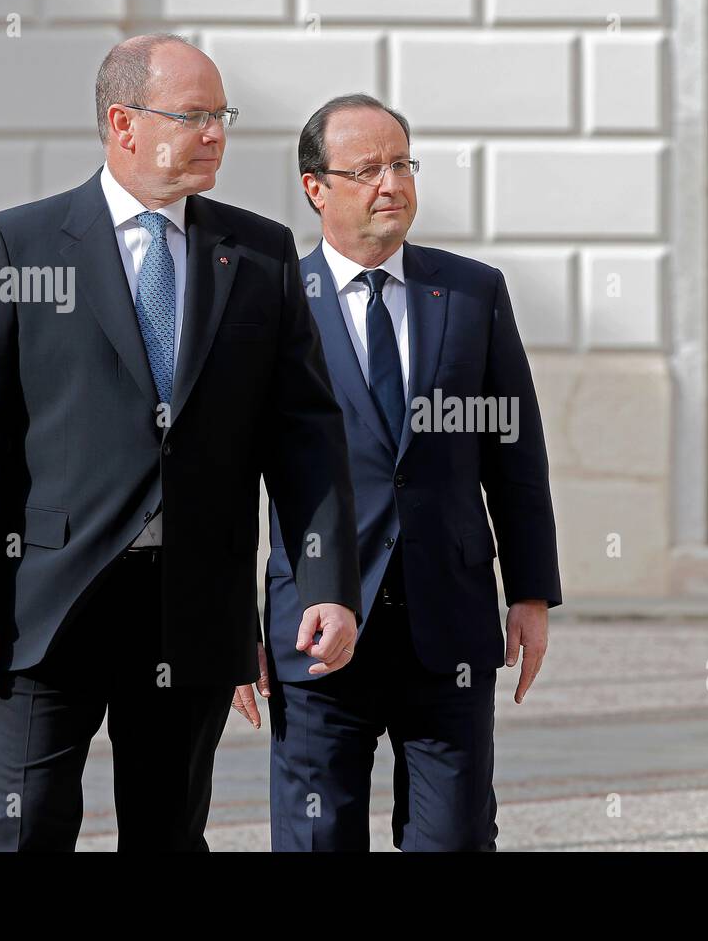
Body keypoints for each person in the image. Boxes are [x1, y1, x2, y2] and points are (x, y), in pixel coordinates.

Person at [0, 34, 361, 850]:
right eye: (193, 115)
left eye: (221, 115)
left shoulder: (259, 252)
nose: (215, 134)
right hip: (48, 603)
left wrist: (327, 583)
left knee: (169, 833)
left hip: (192, 605)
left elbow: (304, 437)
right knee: (26, 828)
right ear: (123, 123)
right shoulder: (18, 245)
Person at [241, 94, 561, 850]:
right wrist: (232, 629)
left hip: (447, 624)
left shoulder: (474, 293)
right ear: (316, 187)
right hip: (318, 630)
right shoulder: (272, 299)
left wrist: (531, 591)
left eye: (402, 164)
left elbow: (514, 454)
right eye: (368, 169)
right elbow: (228, 479)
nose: (392, 184)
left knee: (454, 838)